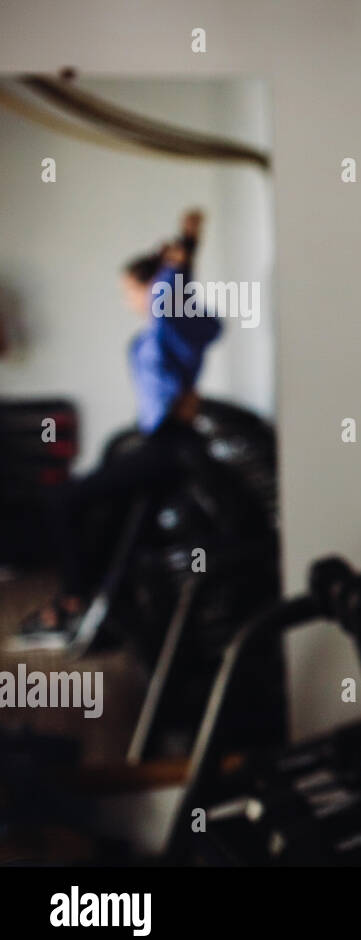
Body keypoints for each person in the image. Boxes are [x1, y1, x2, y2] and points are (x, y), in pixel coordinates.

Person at [17, 209, 223, 641]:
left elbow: (171, 294)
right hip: (157, 439)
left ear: (151, 288)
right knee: (91, 503)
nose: (129, 300)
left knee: (63, 500)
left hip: (171, 445)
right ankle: (90, 600)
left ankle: (73, 601)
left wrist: (185, 247)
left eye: (131, 290)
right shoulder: (164, 330)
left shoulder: (170, 326)